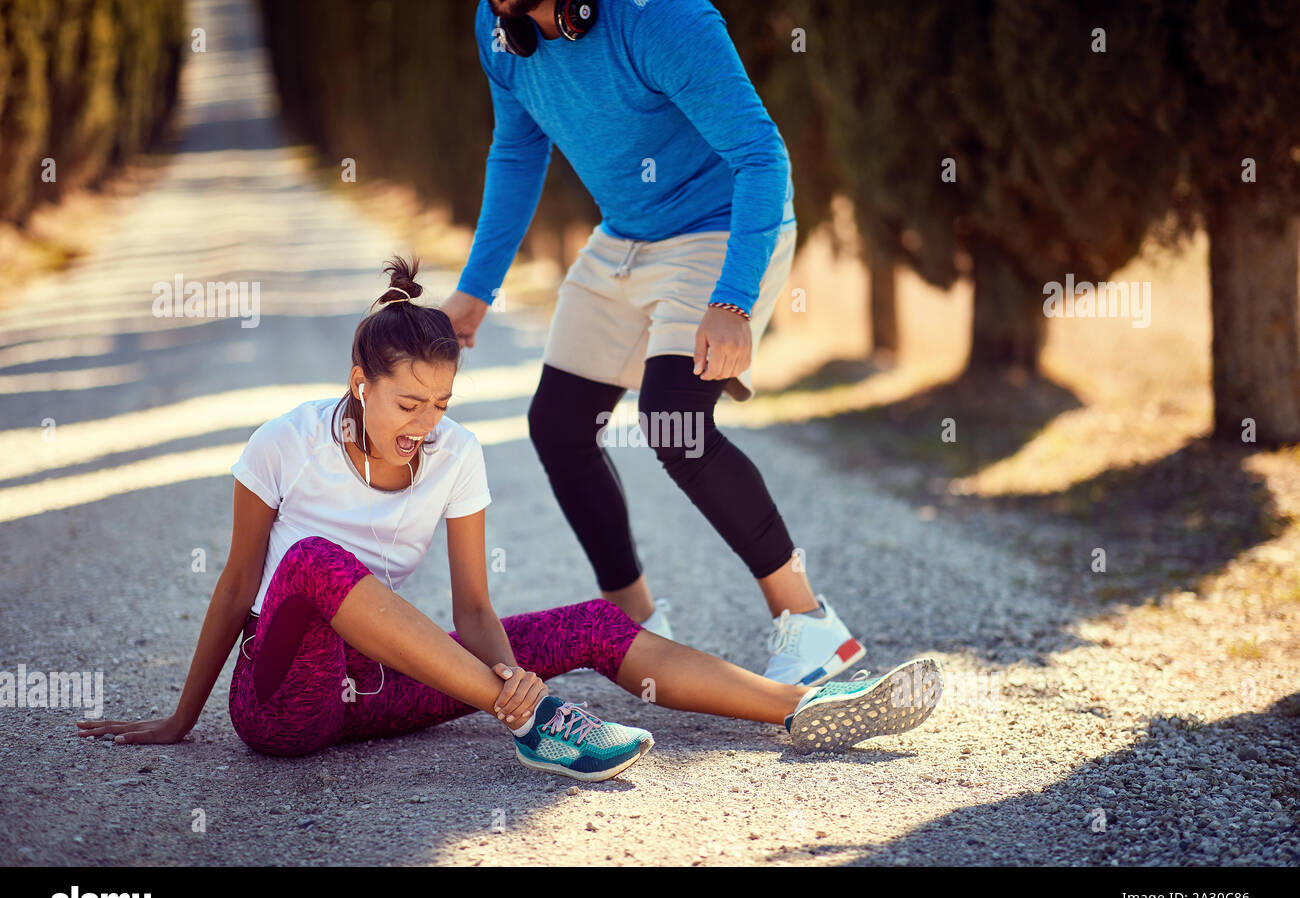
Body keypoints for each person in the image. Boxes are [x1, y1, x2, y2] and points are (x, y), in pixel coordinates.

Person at [75, 257, 943, 780]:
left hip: (386, 691)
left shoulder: (457, 454)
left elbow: (476, 612)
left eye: (442, 403)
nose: (427, 424)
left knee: (594, 622)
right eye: (408, 403)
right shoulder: (282, 444)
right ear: (359, 383)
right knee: (310, 559)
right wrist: (182, 718)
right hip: (286, 703)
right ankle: (533, 724)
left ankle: (803, 706)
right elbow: (237, 587)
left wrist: (507, 672)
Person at [439, 0, 864, 687]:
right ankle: (634, 628)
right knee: (558, 424)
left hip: (721, 227)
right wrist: (476, 289)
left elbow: (762, 155)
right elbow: (518, 150)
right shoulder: (499, 29)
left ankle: (812, 625)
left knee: (675, 422)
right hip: (626, 235)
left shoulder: (661, 17)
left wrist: (732, 300)